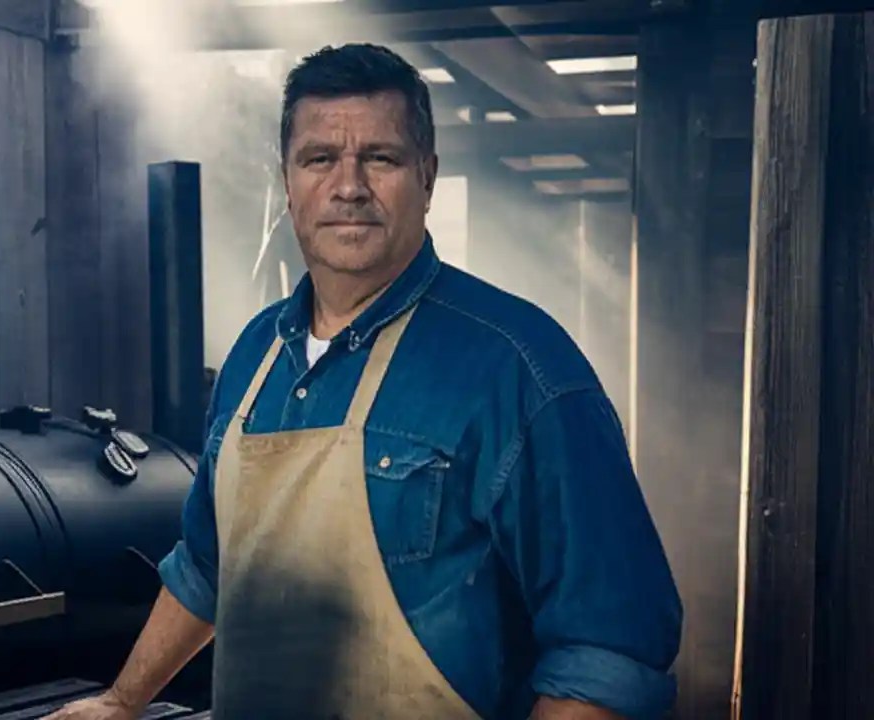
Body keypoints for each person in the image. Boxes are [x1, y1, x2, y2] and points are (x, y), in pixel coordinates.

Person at [43, 43, 682, 720]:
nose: (348, 186)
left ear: (428, 177)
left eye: (381, 157)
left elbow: (609, 651)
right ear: (287, 184)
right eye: (320, 159)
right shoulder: (254, 355)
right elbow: (208, 566)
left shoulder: (521, 368)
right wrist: (122, 701)